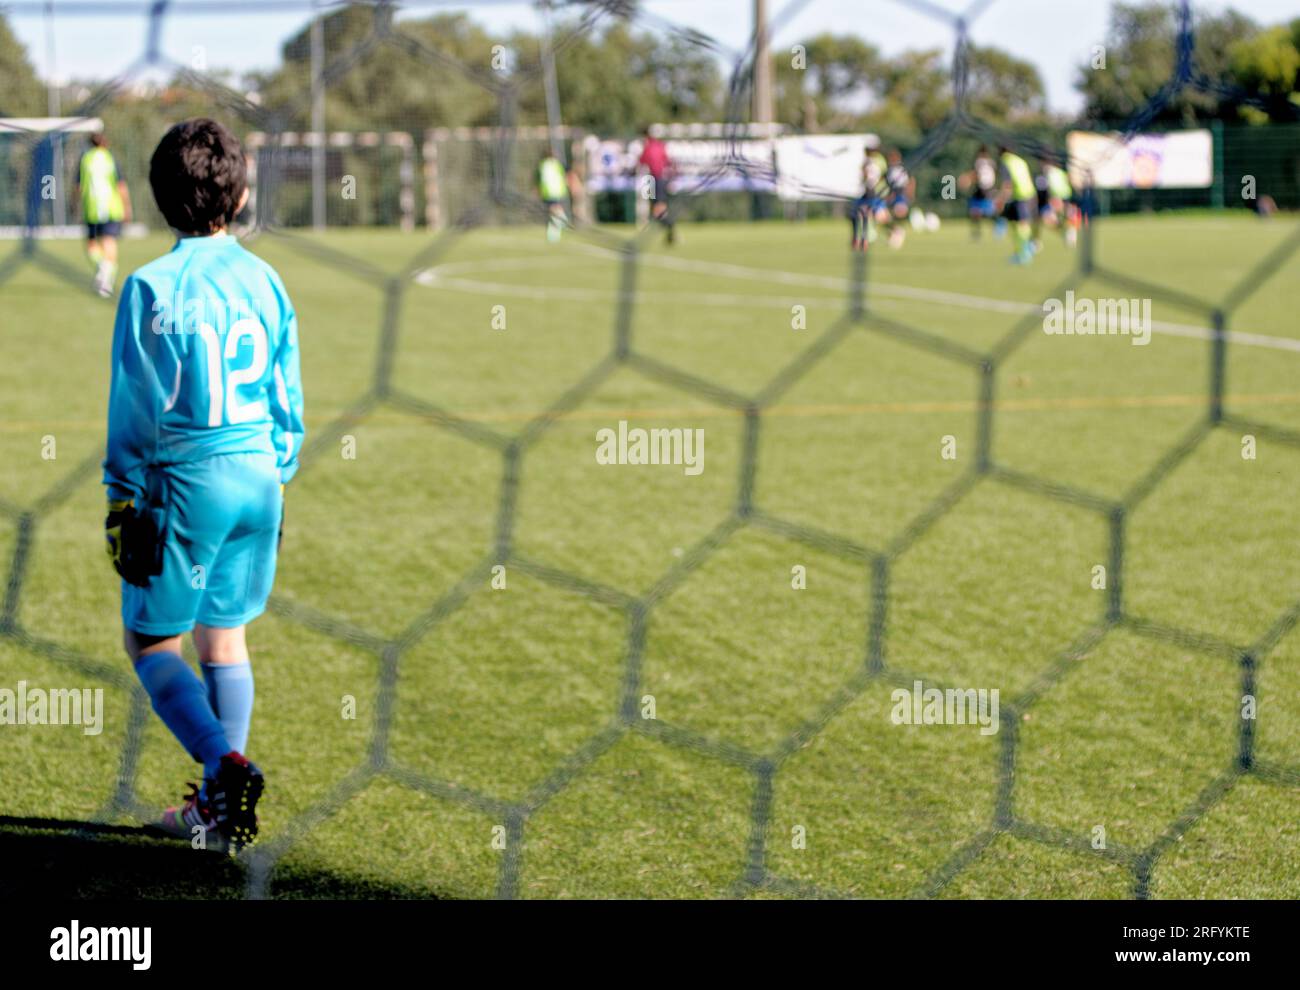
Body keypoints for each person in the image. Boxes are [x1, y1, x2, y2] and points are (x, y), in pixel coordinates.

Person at [103, 118, 305, 852]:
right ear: (242, 192)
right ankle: (220, 822)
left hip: (189, 479)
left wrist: (120, 495)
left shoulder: (151, 286)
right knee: (224, 637)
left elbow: (134, 404)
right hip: (259, 475)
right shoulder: (265, 276)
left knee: (151, 643)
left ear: (158, 197)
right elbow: (287, 386)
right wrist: (280, 464)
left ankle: (223, 770)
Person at [78, 132, 132, 298]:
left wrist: (75, 205)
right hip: (111, 207)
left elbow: (78, 186)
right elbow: (120, 184)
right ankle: (106, 275)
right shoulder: (110, 159)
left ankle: (102, 270)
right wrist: (127, 206)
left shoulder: (85, 160)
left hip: (91, 208)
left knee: (92, 246)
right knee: (109, 242)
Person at [997, 144, 1037, 265]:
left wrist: (1001, 200)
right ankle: (1023, 250)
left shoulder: (1005, 161)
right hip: (1029, 193)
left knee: (1018, 225)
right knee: (1021, 223)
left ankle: (1024, 252)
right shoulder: (1020, 160)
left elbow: (1007, 184)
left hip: (1019, 196)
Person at [637, 126, 675, 245]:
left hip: (655, 179)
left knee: (657, 210)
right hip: (661, 179)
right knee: (659, 208)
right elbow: (668, 162)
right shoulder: (660, 146)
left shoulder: (648, 148)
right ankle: (669, 230)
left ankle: (670, 227)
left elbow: (641, 161)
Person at [850, 145, 888, 251]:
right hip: (871, 192)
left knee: (875, 216)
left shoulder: (873, 161)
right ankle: (863, 239)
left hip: (874, 192)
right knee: (863, 215)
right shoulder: (873, 161)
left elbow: (870, 177)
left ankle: (890, 231)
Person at [961, 145, 998, 241]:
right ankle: (995, 226)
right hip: (990, 189)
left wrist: (967, 179)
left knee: (976, 211)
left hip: (982, 190)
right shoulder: (992, 163)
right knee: (983, 212)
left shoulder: (979, 162)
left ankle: (979, 232)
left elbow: (977, 174)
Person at [536, 152, 570, 243]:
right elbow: (566, 174)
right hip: (558, 190)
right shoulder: (557, 164)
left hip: (548, 191)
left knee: (553, 210)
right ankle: (555, 231)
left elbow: (538, 178)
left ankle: (562, 222)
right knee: (555, 210)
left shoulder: (542, 164)